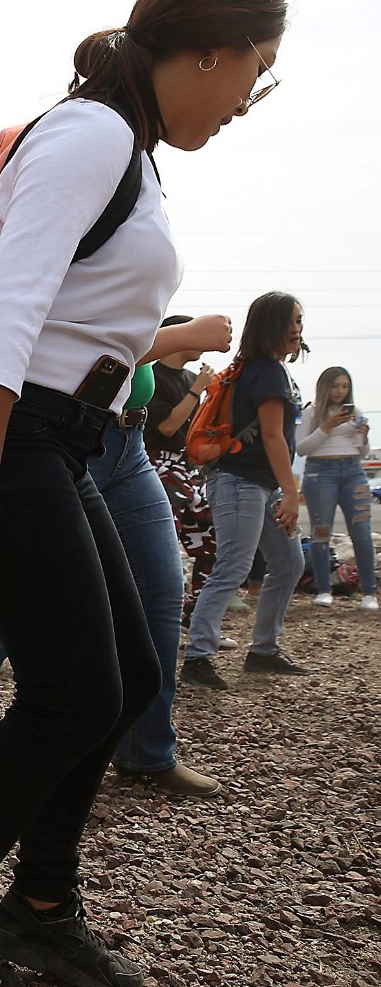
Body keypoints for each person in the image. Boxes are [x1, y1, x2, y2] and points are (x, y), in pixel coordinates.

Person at [0, 0, 287, 987]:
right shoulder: (91, 133)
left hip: (60, 438)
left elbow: (72, 314)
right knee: (72, 691)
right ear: (210, 49)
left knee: (131, 678)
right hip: (8, 434)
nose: (251, 98)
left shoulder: (136, 154)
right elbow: (10, 309)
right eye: (257, 71)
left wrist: (156, 338)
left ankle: (44, 906)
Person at [0, 335, 231, 805]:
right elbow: (89, 340)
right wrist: (185, 333)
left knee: (160, 594)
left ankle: (147, 750)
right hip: (64, 428)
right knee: (14, 600)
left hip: (130, 444)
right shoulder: (69, 257)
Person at [181, 291, 311, 689]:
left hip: (256, 483)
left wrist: (282, 489)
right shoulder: (267, 372)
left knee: (288, 564)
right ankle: (198, 657)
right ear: (270, 325)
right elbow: (272, 436)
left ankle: (263, 651)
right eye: (290, 321)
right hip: (241, 482)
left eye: (300, 321)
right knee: (233, 567)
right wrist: (291, 494)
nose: (297, 329)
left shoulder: (258, 369)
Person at [143, 316, 221, 625]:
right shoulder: (154, 375)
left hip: (188, 468)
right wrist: (196, 391)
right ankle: (160, 615)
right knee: (164, 544)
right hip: (158, 465)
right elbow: (167, 425)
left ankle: (197, 616)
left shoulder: (193, 378)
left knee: (211, 541)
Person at [299, 366, 376, 609]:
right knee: (322, 533)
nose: (340, 391)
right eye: (335, 386)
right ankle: (324, 589)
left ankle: (369, 593)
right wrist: (328, 426)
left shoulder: (356, 412)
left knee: (362, 533)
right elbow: (301, 448)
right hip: (321, 471)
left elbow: (362, 451)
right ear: (324, 387)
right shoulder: (311, 413)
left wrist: (363, 435)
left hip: (353, 470)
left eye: (345, 386)